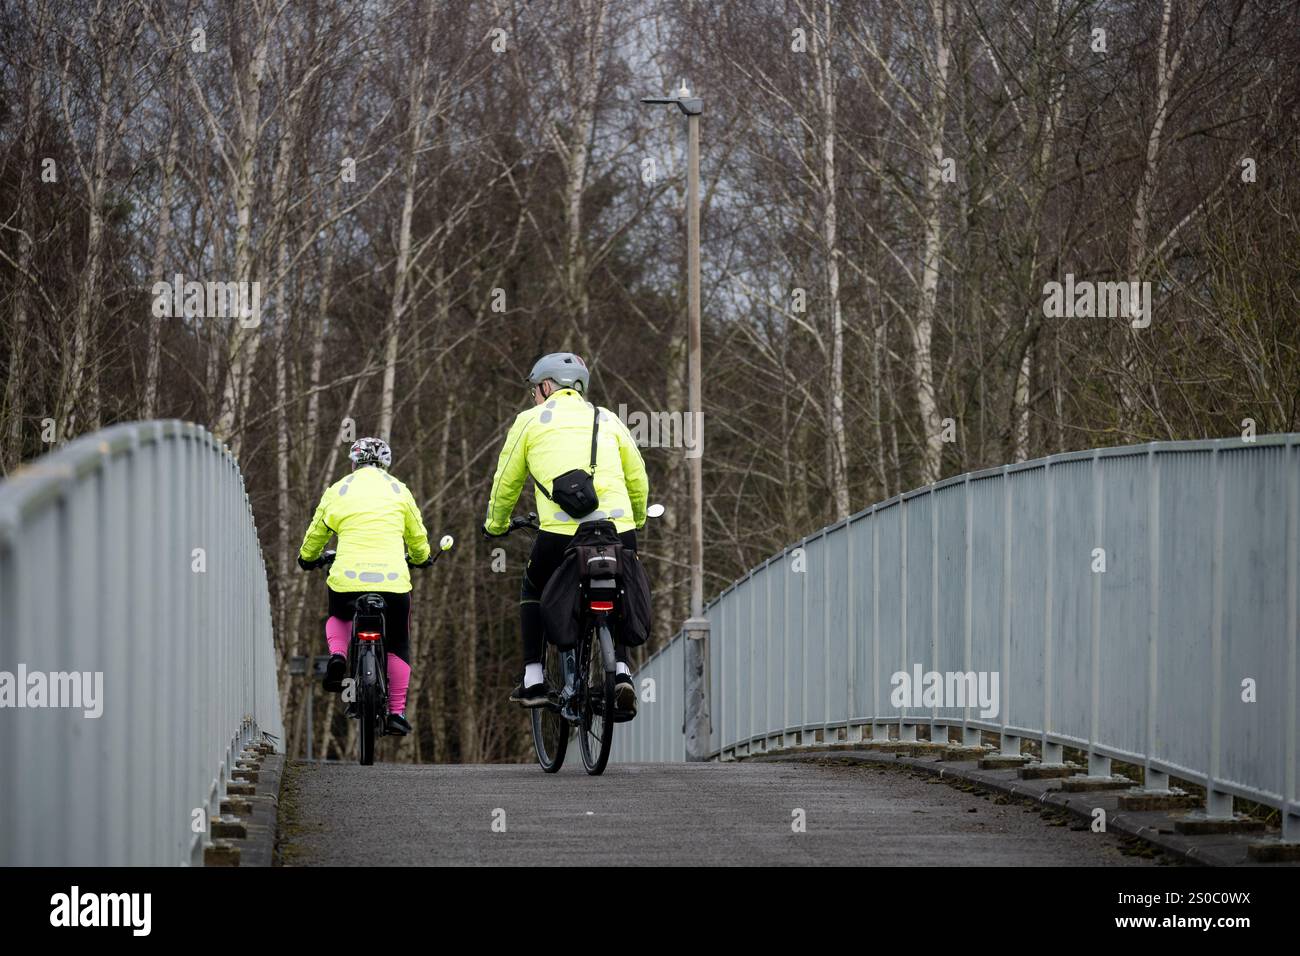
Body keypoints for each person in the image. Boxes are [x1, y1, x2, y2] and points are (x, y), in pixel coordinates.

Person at [483, 352, 649, 716]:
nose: (534, 397)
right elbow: (637, 476)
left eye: (535, 390)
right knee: (619, 586)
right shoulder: (607, 418)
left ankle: (534, 677)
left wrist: (495, 525)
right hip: (617, 531)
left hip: (561, 535)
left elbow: (506, 482)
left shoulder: (529, 421)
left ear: (546, 386)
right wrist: (635, 520)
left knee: (533, 586)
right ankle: (620, 668)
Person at [298, 437, 431, 736]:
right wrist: (421, 559)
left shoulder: (339, 489)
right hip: (393, 582)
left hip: (349, 578)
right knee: (398, 641)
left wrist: (307, 558)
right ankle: (396, 712)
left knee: (340, 615)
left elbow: (316, 532)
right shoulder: (400, 490)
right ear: (386, 462)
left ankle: (338, 656)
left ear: (353, 461)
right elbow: (418, 538)